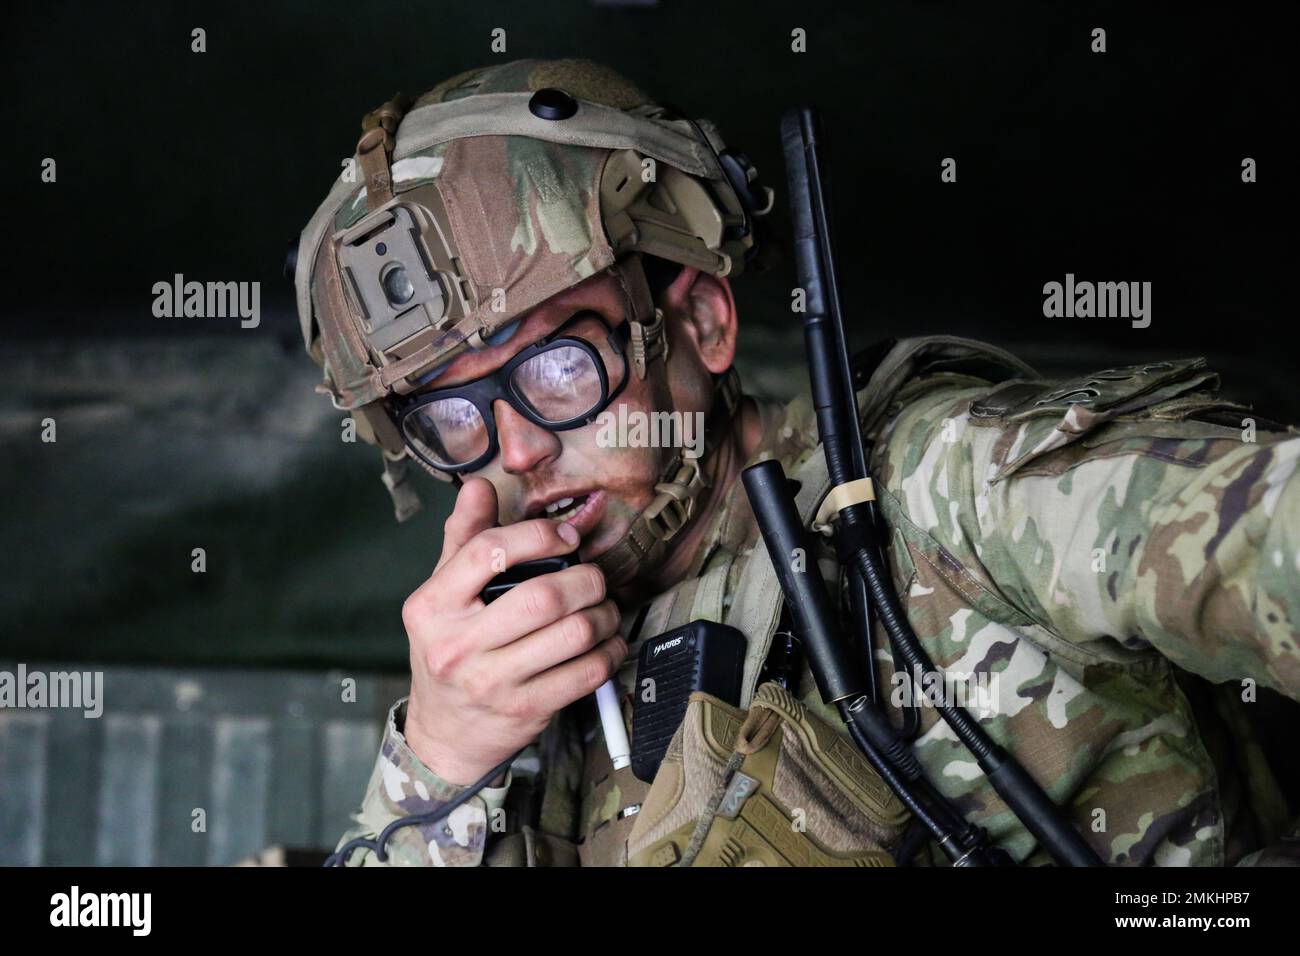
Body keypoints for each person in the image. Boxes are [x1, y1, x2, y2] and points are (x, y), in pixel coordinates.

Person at [293, 58, 1300, 866]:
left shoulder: (941, 488)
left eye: (559, 366)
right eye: (450, 415)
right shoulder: (525, 691)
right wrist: (436, 760)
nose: (514, 447)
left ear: (698, 318)